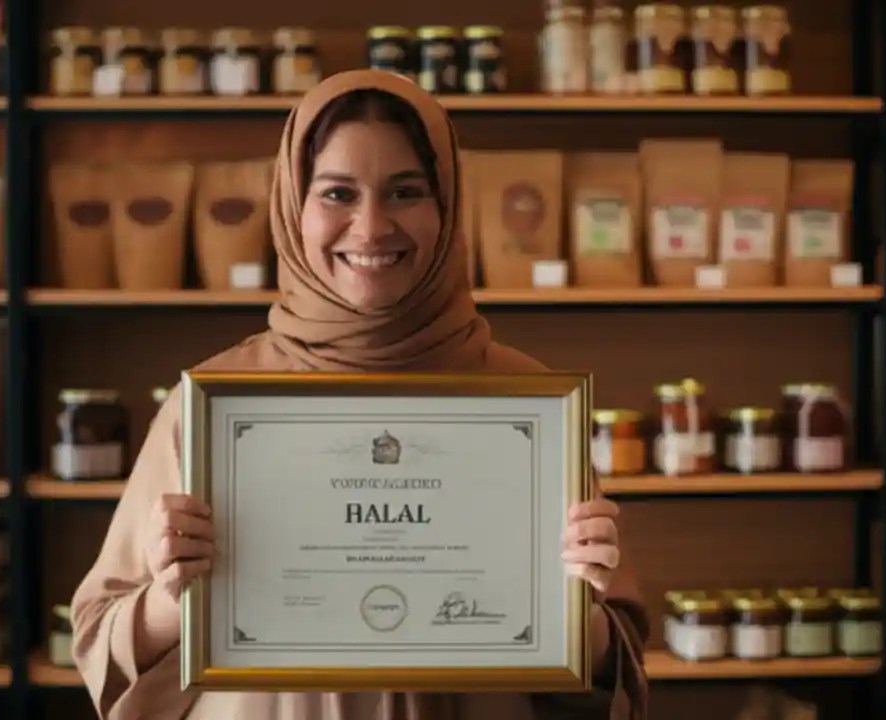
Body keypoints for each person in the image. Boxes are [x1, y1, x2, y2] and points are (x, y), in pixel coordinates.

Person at [70, 69, 649, 720]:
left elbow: (614, 667)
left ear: (448, 206)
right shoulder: (213, 407)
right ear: (293, 205)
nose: (371, 228)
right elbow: (99, 634)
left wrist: (581, 604)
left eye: (405, 192)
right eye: (338, 193)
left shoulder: (528, 407)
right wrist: (172, 595)